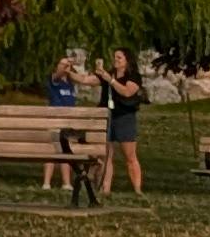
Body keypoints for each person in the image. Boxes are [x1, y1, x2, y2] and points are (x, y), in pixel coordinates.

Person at [92, 51, 148, 197]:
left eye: (119, 57)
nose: (115, 60)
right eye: (114, 57)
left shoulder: (133, 76)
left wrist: (110, 80)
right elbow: (87, 80)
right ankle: (105, 189)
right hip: (107, 116)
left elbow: (127, 92)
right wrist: (69, 72)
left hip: (124, 117)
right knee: (106, 155)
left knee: (130, 156)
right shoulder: (109, 74)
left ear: (127, 60)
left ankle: (137, 190)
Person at [43, 50, 86, 191]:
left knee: (66, 150)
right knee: (52, 151)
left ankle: (66, 183)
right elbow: (58, 74)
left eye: (67, 64)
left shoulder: (70, 83)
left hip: (68, 121)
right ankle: (46, 183)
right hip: (55, 120)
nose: (65, 66)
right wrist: (65, 67)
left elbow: (83, 78)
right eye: (62, 64)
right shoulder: (54, 80)